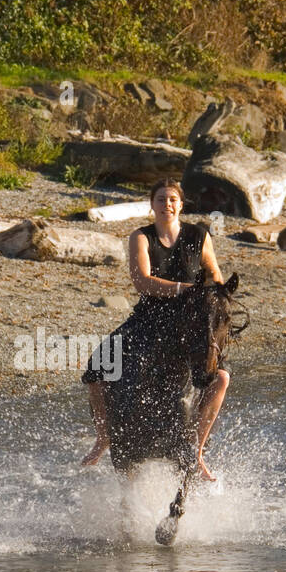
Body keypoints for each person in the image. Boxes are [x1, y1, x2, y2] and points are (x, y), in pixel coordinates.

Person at [80, 178, 230, 482]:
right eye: (161, 199)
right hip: (150, 319)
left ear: (181, 204)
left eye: (172, 199)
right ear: (152, 204)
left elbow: (215, 275)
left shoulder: (199, 236)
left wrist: (212, 293)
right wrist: (185, 288)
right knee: (96, 368)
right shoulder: (141, 237)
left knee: (222, 377)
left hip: (190, 321)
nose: (167, 205)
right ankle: (104, 436)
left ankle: (197, 448)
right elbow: (142, 281)